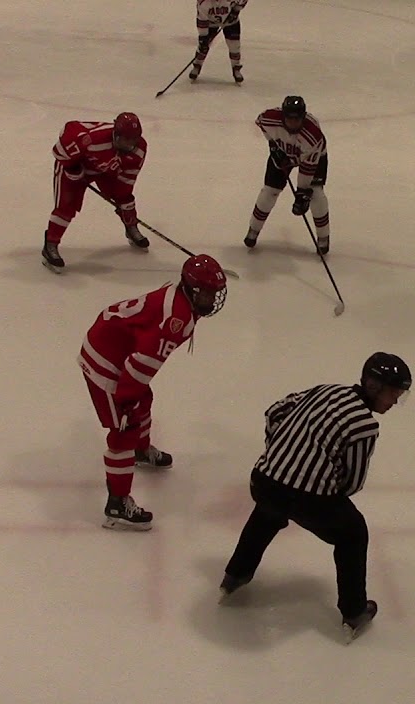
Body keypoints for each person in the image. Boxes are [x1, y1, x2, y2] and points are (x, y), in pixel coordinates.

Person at [219, 352, 412, 642]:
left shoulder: (327, 390)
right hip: (305, 498)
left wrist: (281, 455)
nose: (395, 401)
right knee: (353, 533)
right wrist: (317, 486)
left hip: (262, 480)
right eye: (393, 393)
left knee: (268, 511)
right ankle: (354, 611)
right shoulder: (365, 426)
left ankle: (235, 575)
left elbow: (275, 411)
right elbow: (352, 482)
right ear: (373, 387)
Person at [78, 254, 228, 529]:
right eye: (208, 293)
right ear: (193, 290)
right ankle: (117, 503)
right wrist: (125, 399)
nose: (213, 299)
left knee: (144, 399)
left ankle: (140, 450)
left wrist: (135, 394)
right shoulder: (177, 319)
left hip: (112, 347)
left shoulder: (180, 301)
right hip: (105, 359)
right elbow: (140, 363)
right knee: (124, 428)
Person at [42, 113, 149, 274]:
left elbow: (128, 177)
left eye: (133, 140)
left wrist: (123, 203)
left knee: (125, 198)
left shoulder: (139, 149)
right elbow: (63, 142)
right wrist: (72, 168)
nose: (130, 144)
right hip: (77, 166)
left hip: (105, 169)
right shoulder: (91, 138)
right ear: (116, 134)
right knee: (66, 207)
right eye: (126, 139)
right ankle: (50, 244)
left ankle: (131, 227)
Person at [243, 96, 331, 255]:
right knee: (270, 191)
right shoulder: (270, 118)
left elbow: (307, 167)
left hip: (312, 158)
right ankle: (253, 229)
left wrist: (301, 192)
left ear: (303, 117)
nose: (292, 123)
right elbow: (261, 123)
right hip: (283, 153)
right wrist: (273, 146)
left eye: (296, 119)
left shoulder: (313, 137)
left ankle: (323, 237)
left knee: (316, 194)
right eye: (289, 118)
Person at [189, 0, 249, 84]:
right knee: (203, 47)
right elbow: (202, 20)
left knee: (234, 46)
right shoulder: (203, 3)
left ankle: (236, 67)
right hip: (211, 23)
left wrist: (236, 10)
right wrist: (203, 37)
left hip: (231, 22)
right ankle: (197, 65)